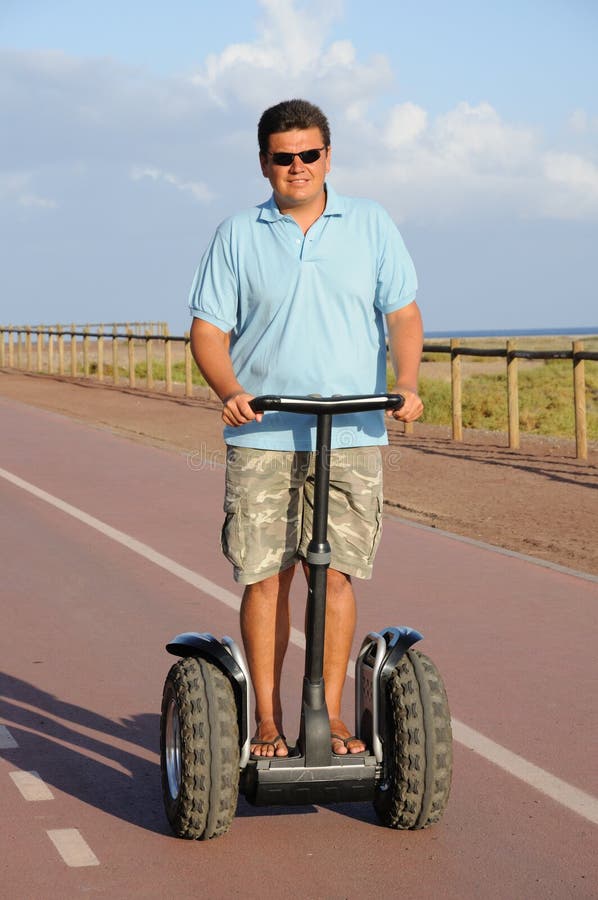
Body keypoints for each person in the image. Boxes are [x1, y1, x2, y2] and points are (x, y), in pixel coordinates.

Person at [189, 98, 423, 759]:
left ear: (328, 156)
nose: (298, 167)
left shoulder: (371, 223)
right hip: (265, 434)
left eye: (310, 154)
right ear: (264, 162)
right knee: (267, 575)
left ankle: (334, 719)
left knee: (337, 574)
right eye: (283, 157)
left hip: (350, 431)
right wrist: (230, 390)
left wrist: (405, 382)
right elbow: (209, 330)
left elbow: (403, 315)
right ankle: (265, 721)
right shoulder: (237, 233)